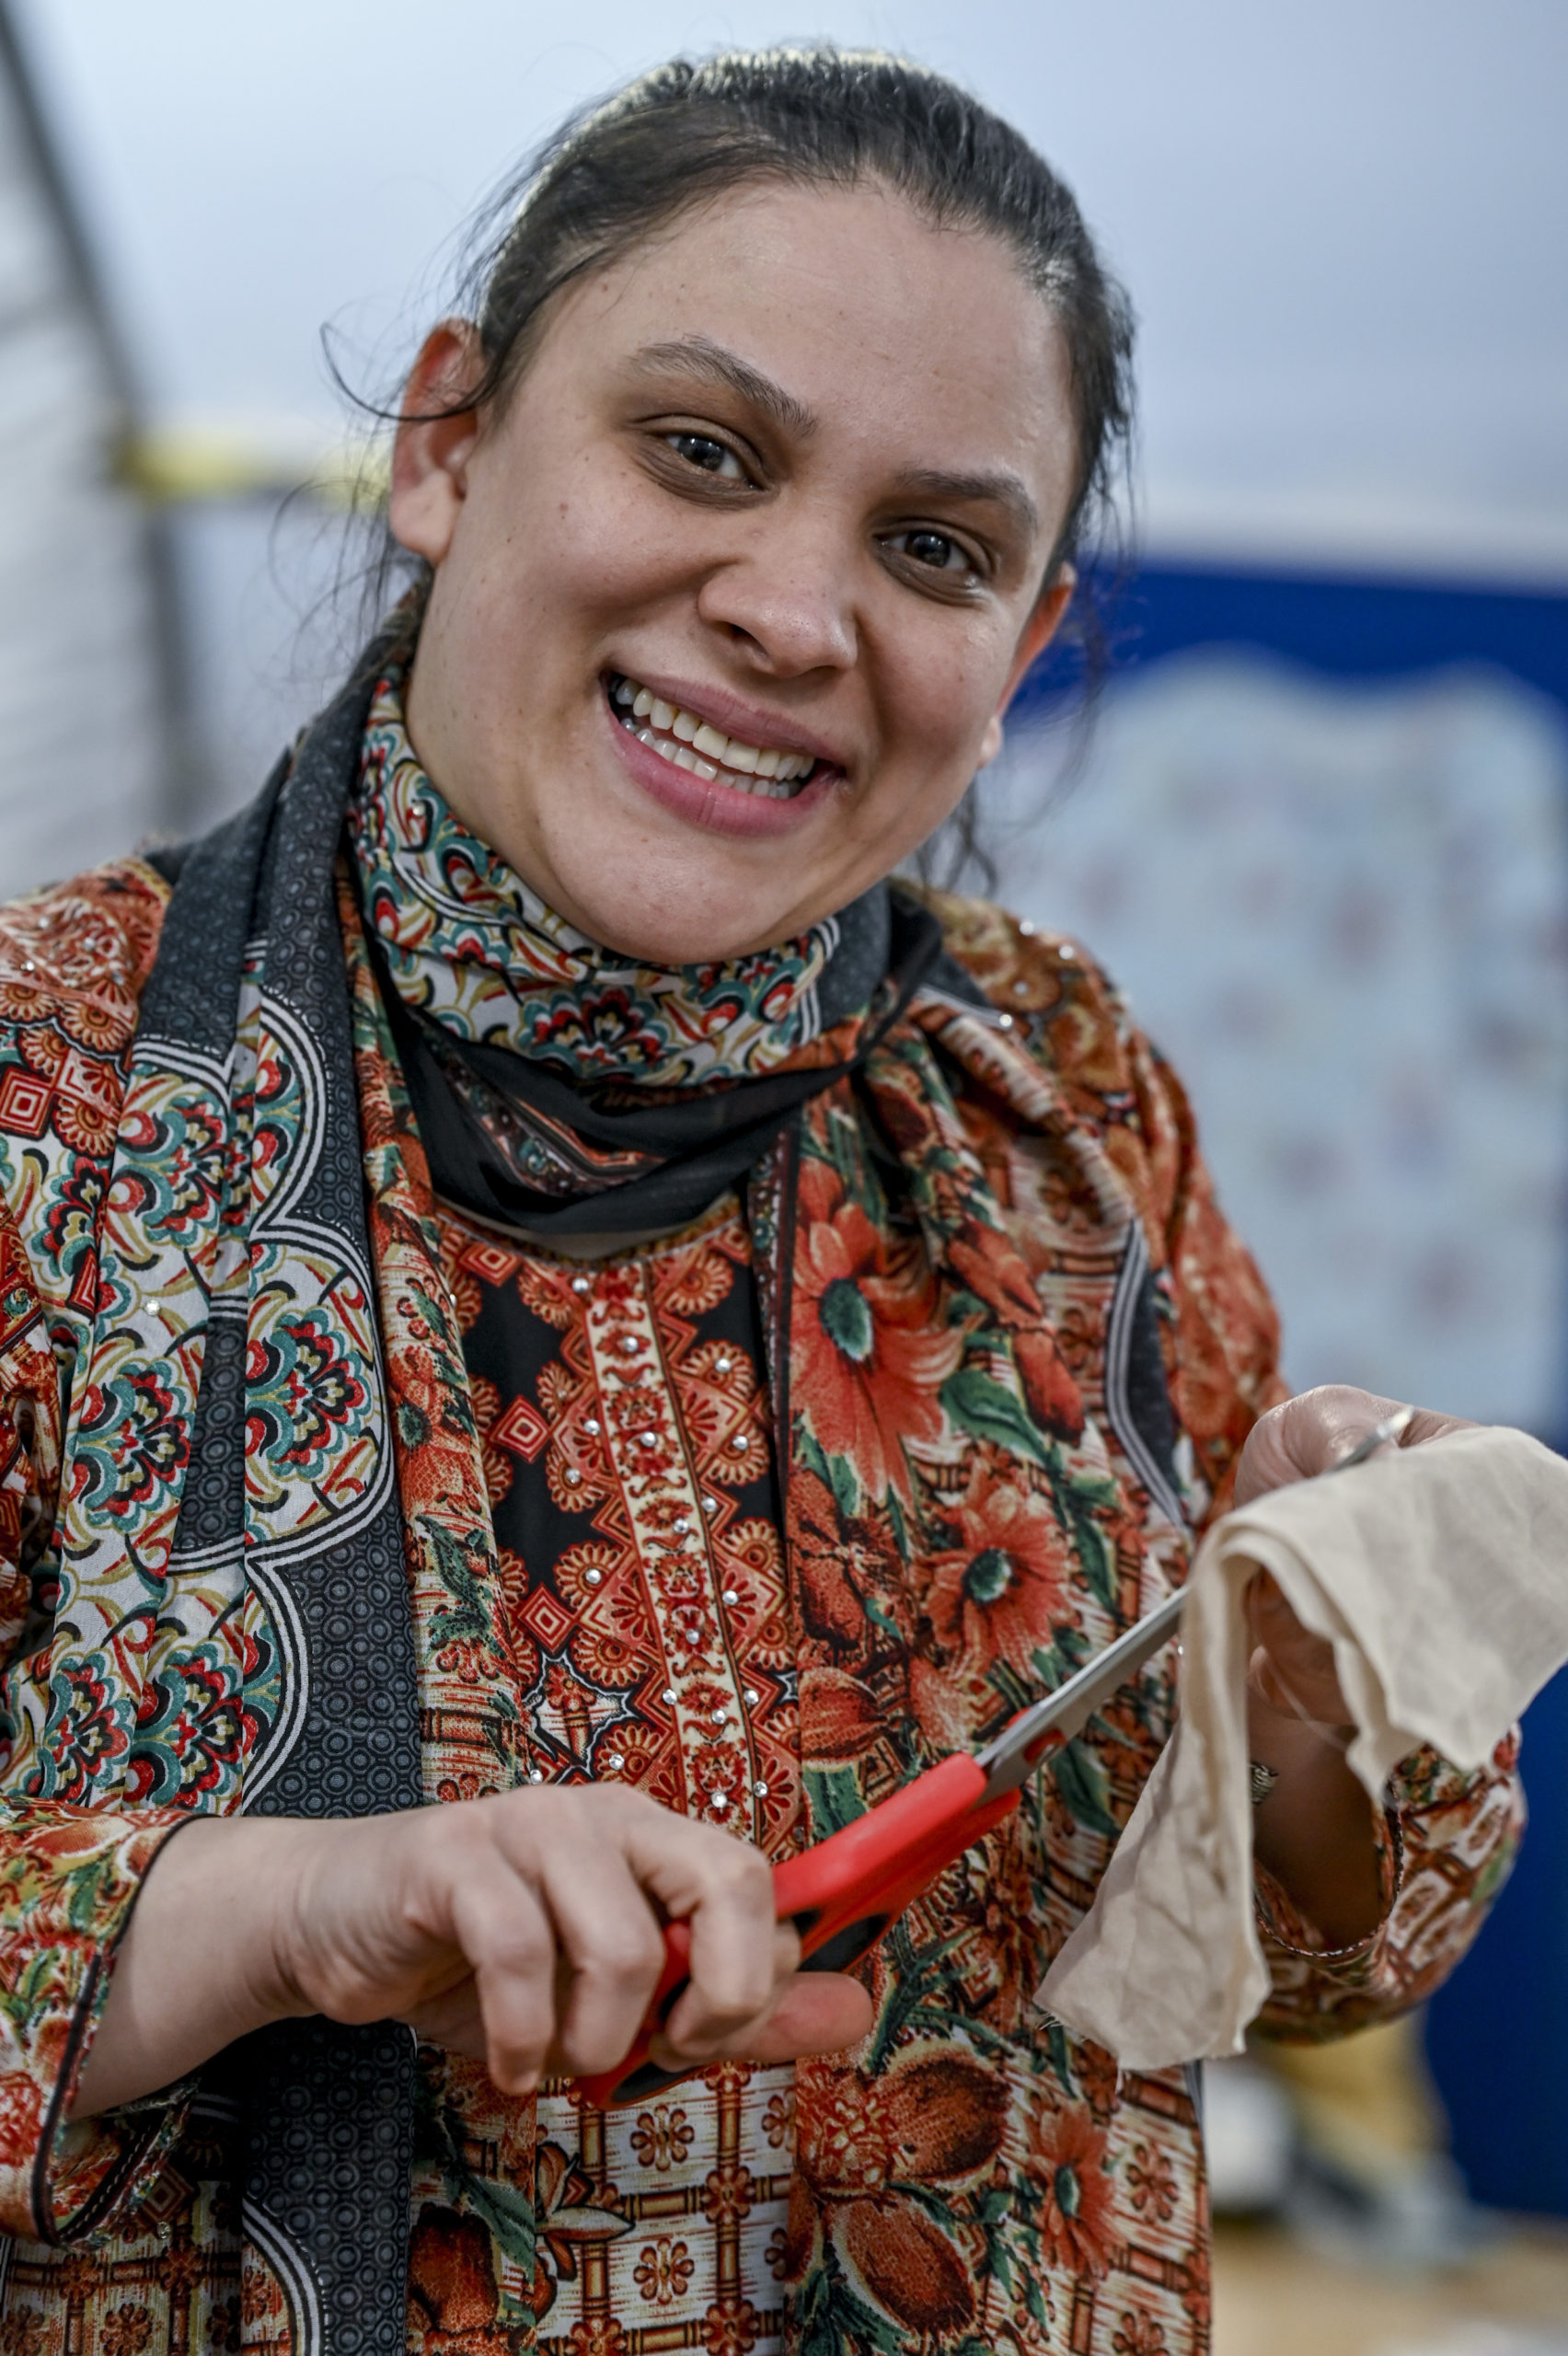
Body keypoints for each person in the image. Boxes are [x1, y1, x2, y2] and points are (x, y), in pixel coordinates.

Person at [0, 48, 1518, 2356]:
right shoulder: (53, 1083)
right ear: (444, 444)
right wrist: (290, 1905)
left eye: (934, 547)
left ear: (1011, 659)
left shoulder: (1066, 1109)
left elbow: (1279, 1957)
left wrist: (1313, 1680)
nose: (796, 610)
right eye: (702, 449)